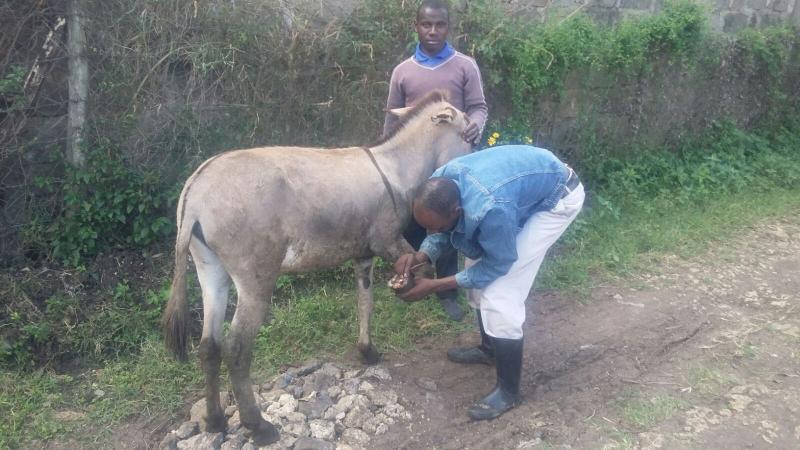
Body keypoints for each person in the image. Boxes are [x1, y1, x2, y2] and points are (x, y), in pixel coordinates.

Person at [393, 145, 585, 420]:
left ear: (457, 211)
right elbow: (441, 229)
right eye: (426, 226)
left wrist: (435, 286)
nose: (430, 231)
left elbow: (498, 263)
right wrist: (421, 255)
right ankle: (489, 349)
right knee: (474, 271)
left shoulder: (491, 208)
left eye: (436, 226)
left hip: (557, 198)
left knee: (501, 291)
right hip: (518, 188)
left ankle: (508, 392)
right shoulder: (441, 183)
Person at [384, 0, 488, 321]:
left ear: (448, 26)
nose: (433, 31)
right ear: (416, 26)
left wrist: (475, 125)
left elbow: (479, 107)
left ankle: (445, 291)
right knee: (414, 223)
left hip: (452, 165)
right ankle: (415, 279)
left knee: (447, 225)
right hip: (413, 167)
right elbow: (392, 121)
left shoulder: (464, 66)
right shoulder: (403, 71)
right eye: (426, 25)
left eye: (439, 25)